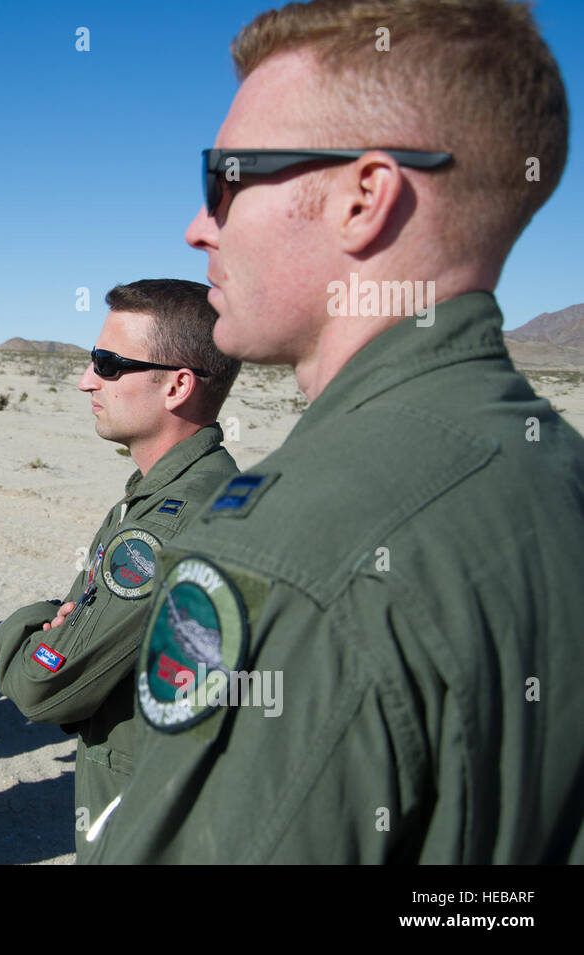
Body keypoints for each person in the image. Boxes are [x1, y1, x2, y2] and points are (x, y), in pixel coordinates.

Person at [88, 0, 584, 863]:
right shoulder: (554, 473)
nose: (199, 224)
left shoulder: (295, 551)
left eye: (228, 178)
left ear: (365, 199)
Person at [0, 280, 240, 862]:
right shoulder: (192, 492)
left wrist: (26, 624)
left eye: (108, 364)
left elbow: (42, 686)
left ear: (178, 385)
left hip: (140, 819)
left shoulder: (166, 527)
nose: (87, 381)